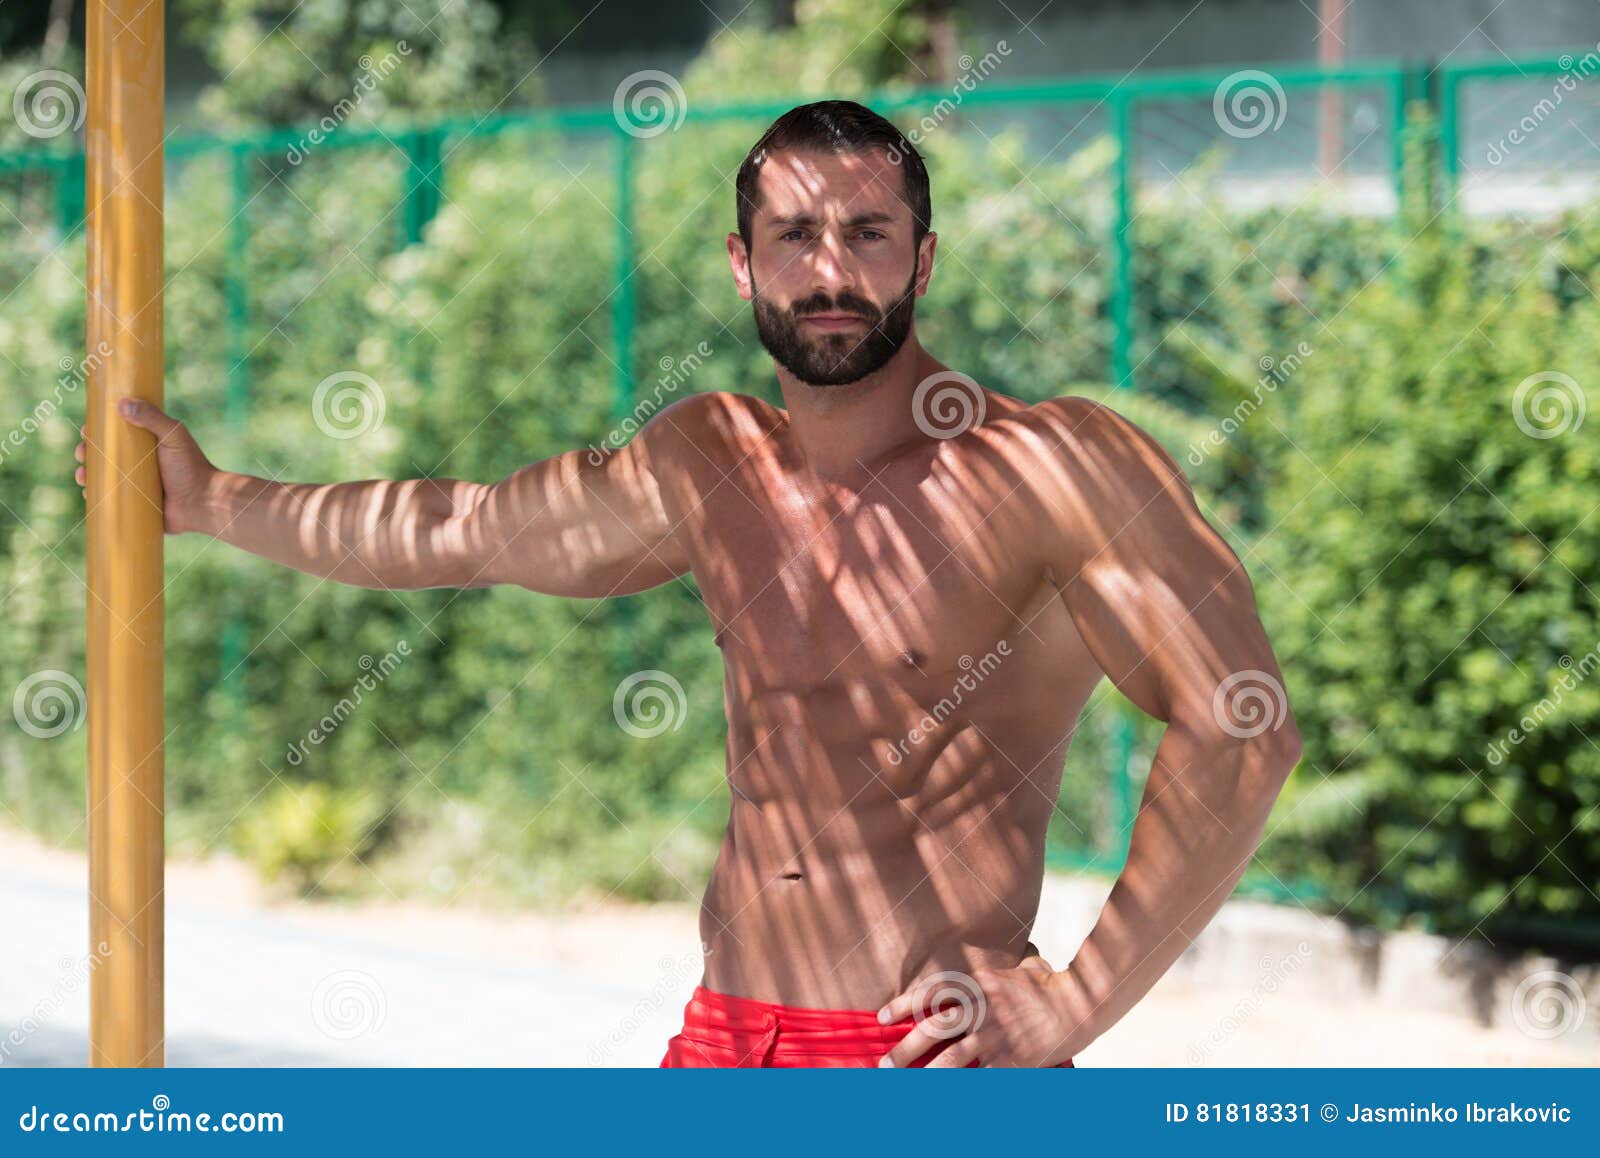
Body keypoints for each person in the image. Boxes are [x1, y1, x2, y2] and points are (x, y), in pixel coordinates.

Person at [75, 100, 1301, 1068]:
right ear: (741, 262)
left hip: (916, 1060)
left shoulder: (1051, 465)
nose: (832, 271)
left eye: (869, 235)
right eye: (795, 237)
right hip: (722, 1043)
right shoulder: (709, 461)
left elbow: (1243, 726)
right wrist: (211, 503)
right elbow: (460, 529)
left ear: (922, 261)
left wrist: (1076, 1004)